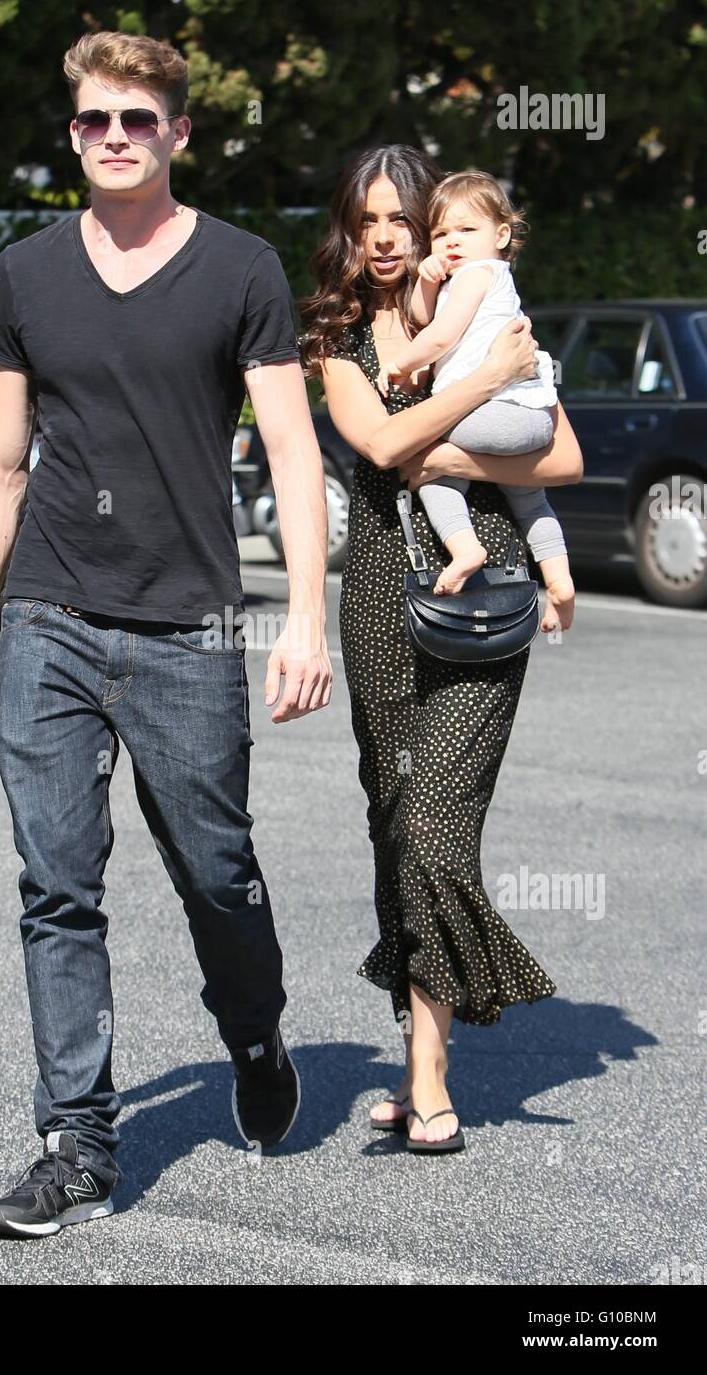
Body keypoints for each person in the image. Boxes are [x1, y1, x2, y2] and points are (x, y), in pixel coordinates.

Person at [0, 29, 332, 1238]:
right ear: (72, 133)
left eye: (136, 120)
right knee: (57, 887)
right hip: (48, 618)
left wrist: (305, 617)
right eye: (91, 122)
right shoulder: (23, 273)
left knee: (217, 874)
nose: (112, 139)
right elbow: (1, 467)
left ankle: (256, 1033)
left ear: (177, 131)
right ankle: (76, 1143)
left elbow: (291, 446)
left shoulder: (240, 269)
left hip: (187, 627)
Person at [299, 144, 583, 1153]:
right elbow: (378, 446)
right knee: (393, 817)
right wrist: (487, 390)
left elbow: (566, 453)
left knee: (433, 822)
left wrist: (494, 383)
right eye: (365, 220)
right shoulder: (333, 336)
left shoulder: (482, 314)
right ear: (348, 228)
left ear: (434, 230)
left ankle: (431, 1066)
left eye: (402, 221)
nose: (383, 238)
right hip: (380, 590)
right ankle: (420, 1048)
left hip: (485, 584)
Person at [374, 169, 575, 624]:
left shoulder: (480, 274)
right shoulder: (465, 279)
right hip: (527, 415)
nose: (452, 242)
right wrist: (427, 281)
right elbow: (425, 313)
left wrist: (403, 363)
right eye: (441, 233)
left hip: (496, 412)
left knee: (428, 460)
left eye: (467, 230)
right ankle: (560, 580)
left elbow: (439, 335)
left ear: (502, 235)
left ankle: (464, 547)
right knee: (530, 500)